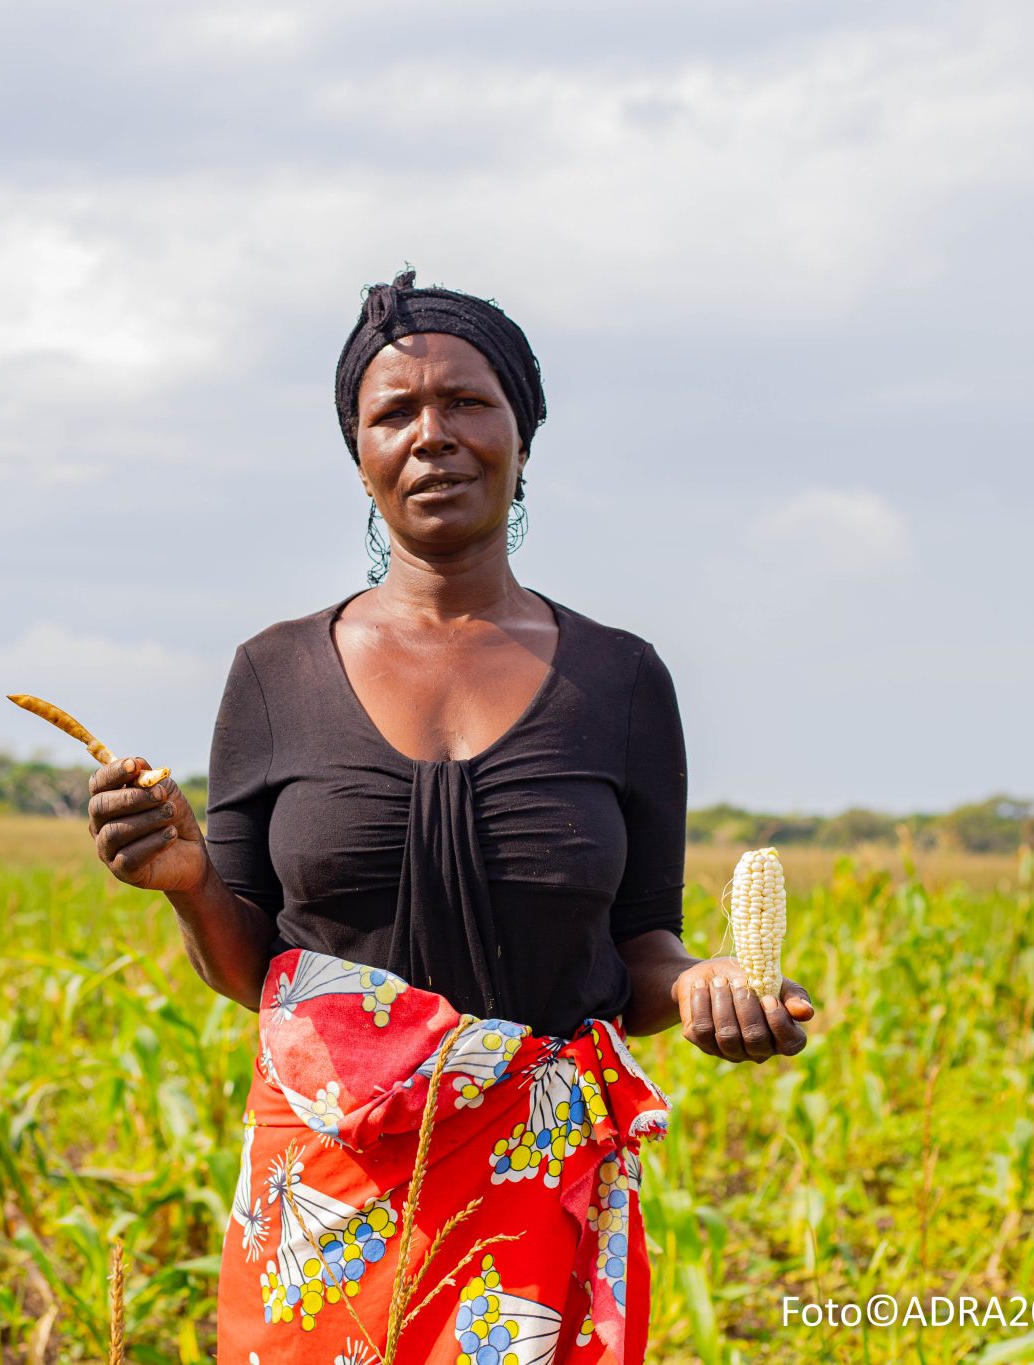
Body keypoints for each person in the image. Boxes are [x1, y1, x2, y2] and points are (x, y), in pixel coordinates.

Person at [85, 270, 814, 1364]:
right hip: (325, 1199)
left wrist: (702, 984)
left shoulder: (619, 682)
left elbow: (636, 953)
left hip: (532, 1188)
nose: (433, 436)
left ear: (520, 433)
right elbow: (253, 974)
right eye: (394, 413)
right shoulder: (273, 674)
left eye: (467, 403)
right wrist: (190, 884)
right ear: (358, 451)